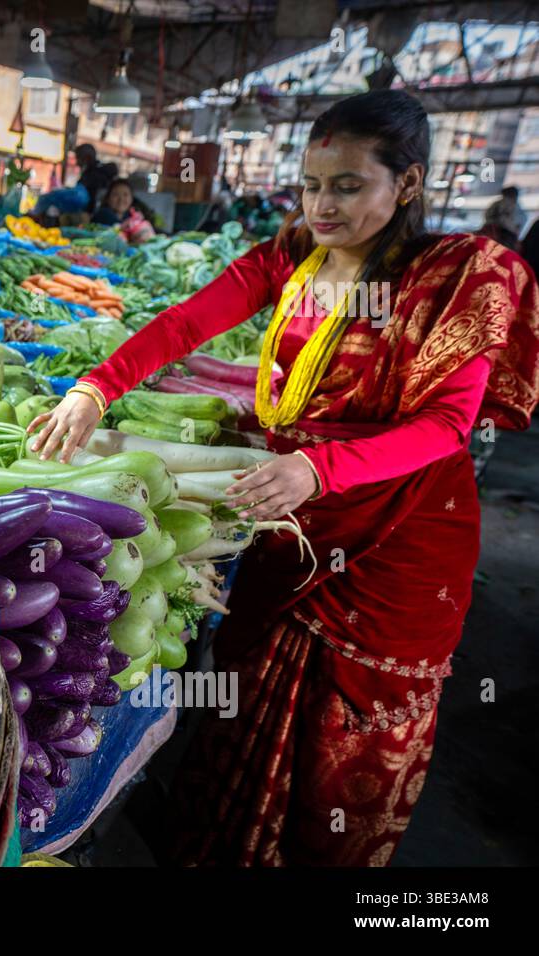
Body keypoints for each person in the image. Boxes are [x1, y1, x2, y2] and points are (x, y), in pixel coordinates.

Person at [28, 89, 539, 866]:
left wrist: (318, 466)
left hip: (396, 538)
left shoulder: (457, 276)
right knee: (248, 696)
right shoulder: (294, 253)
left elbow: (444, 427)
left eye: (346, 185)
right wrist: (97, 386)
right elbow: (189, 321)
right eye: (310, 183)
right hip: (289, 511)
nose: (320, 204)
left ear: (407, 183)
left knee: (343, 736)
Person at [72, 144, 117, 213]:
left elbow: (92, 201)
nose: (77, 163)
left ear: (87, 158)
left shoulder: (93, 176)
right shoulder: (94, 173)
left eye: (78, 158)